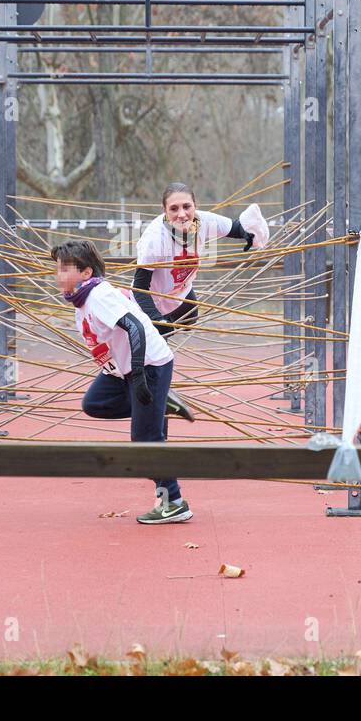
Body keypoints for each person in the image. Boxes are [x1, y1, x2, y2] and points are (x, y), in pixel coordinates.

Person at [52, 238, 194, 525]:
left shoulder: (99, 297)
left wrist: (140, 375)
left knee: (145, 442)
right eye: (58, 268)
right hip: (120, 371)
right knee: (95, 403)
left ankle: (174, 502)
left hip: (149, 365)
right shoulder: (82, 298)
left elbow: (135, 327)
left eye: (65, 268)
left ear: (86, 273)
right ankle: (160, 403)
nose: (58, 275)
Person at [132, 182, 267, 337]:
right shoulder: (154, 239)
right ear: (165, 211)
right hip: (153, 300)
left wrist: (247, 233)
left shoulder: (202, 221)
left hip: (180, 290)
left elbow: (234, 227)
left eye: (187, 206)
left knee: (189, 320)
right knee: (160, 350)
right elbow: (139, 288)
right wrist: (157, 319)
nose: (181, 214)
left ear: (195, 206)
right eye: (174, 209)